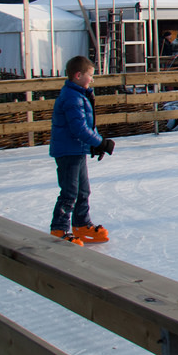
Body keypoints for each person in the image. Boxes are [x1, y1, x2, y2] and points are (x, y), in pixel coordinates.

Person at [48, 55, 114, 245]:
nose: (92, 79)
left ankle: (81, 224)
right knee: (69, 192)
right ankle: (59, 229)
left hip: (77, 149)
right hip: (67, 151)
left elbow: (88, 125)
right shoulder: (71, 97)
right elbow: (78, 129)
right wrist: (101, 143)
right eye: (90, 75)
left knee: (83, 191)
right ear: (78, 75)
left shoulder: (80, 95)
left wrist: (95, 143)